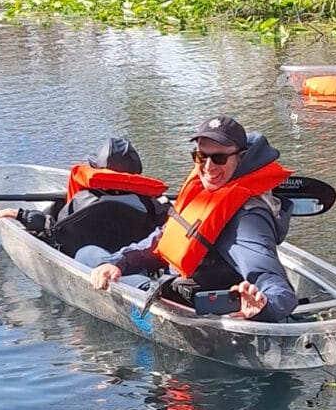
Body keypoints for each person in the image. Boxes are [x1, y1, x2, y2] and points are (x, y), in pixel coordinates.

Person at [86, 115, 298, 323]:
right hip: (174, 281)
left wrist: (262, 306)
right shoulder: (209, 191)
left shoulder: (247, 221)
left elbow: (279, 289)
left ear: (240, 158)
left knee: (86, 254)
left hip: (185, 302)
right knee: (103, 261)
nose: (208, 167)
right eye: (201, 157)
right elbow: (164, 239)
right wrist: (118, 262)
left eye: (219, 158)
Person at [0, 136, 167, 254]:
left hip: (84, 256)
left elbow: (53, 229)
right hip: (133, 259)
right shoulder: (149, 204)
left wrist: (23, 215)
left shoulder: (82, 200)